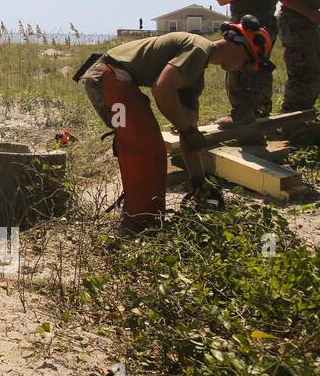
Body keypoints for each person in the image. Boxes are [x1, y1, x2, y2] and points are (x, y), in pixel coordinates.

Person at [75, 22, 273, 230]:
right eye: (249, 61)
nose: (245, 68)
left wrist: (198, 178)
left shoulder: (195, 73)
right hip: (108, 76)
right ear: (240, 46)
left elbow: (189, 128)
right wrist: (187, 130)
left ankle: (144, 215)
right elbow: (162, 90)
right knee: (145, 147)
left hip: (115, 78)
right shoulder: (198, 49)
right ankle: (140, 223)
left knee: (143, 144)